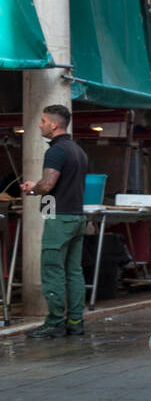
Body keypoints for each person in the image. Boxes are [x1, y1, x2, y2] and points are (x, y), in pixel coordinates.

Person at [21, 105, 88, 338]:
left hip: (58, 217)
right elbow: (55, 185)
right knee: (73, 270)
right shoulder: (78, 151)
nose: (40, 125)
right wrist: (36, 186)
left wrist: (32, 190)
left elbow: (48, 185)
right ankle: (76, 321)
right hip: (76, 215)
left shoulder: (56, 151)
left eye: (42, 121)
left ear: (54, 125)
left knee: (52, 270)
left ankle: (55, 322)